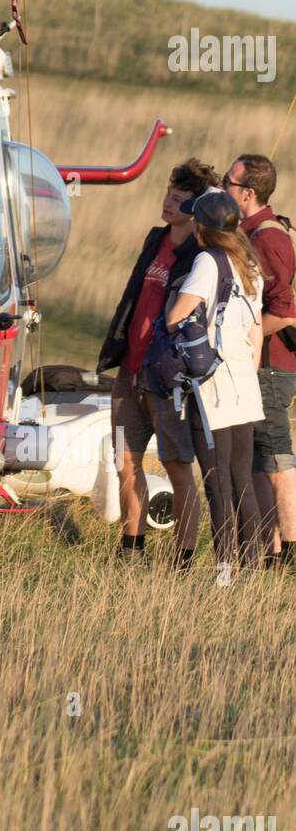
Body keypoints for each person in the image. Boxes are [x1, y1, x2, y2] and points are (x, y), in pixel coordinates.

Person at [98, 158, 218, 564]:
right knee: (123, 459)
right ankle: (132, 549)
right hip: (127, 373)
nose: (167, 202)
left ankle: (182, 557)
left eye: (178, 198)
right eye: (167, 192)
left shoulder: (201, 255)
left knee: (177, 464)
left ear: (195, 208)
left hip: (167, 380)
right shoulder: (155, 238)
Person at [165, 188, 264, 572]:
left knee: (216, 480)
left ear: (203, 227)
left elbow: (177, 316)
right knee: (242, 477)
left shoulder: (207, 260)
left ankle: (224, 570)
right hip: (244, 381)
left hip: (213, 385)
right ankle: (250, 567)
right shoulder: (248, 261)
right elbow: (255, 331)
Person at [223, 154, 296, 565]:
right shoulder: (251, 232)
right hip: (260, 364)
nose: (222, 187)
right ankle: (267, 549)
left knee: (274, 456)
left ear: (247, 194)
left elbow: (284, 311)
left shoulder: (267, 239)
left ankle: (288, 549)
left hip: (269, 366)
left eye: (227, 182)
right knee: (256, 457)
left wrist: (240, 337)